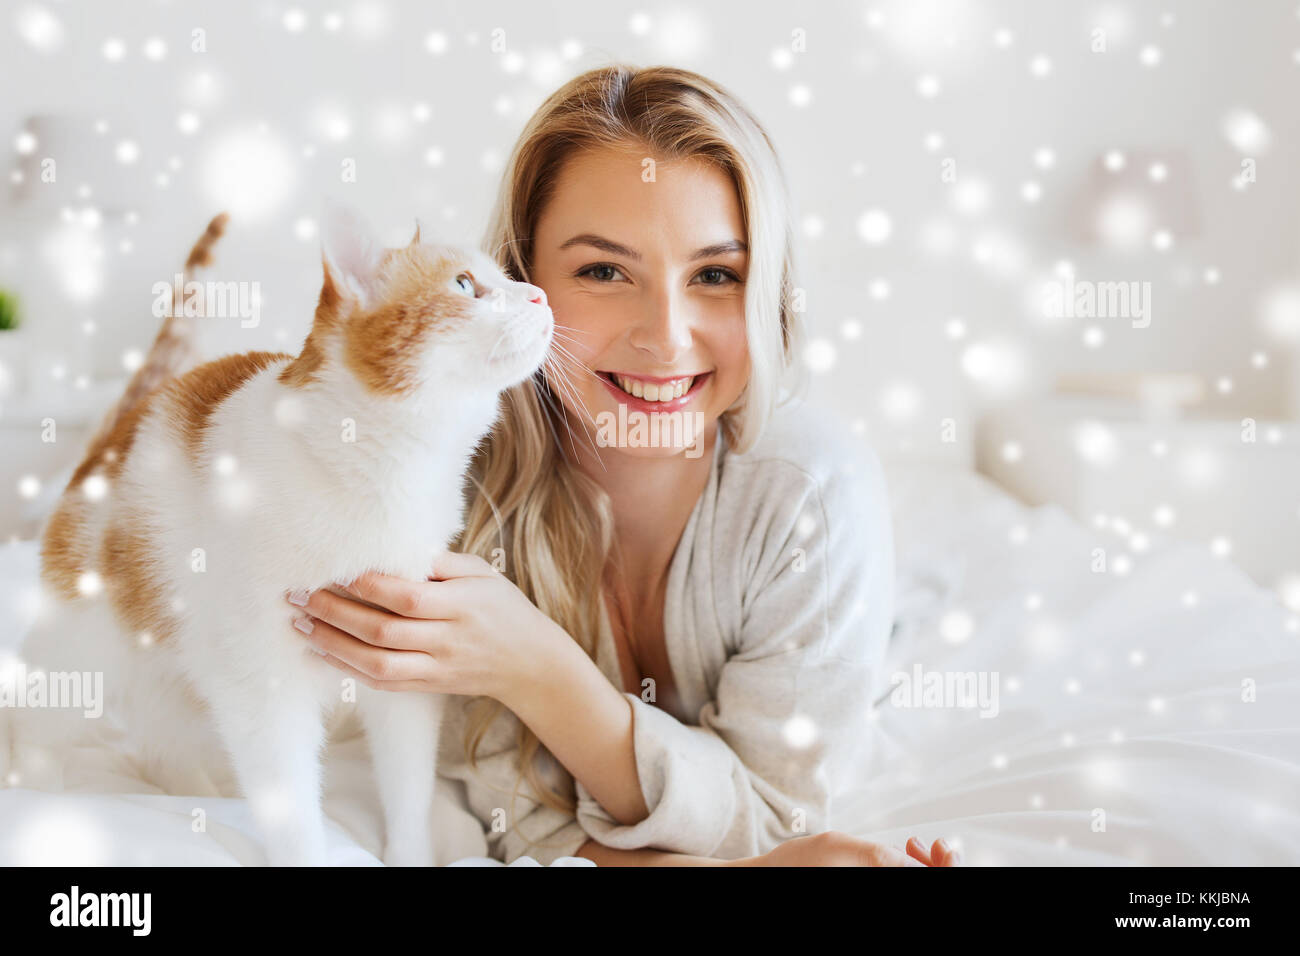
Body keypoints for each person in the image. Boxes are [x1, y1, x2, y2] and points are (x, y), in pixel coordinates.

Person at [285, 64, 959, 868]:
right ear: (520, 282)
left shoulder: (812, 493)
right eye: (604, 271)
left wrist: (533, 665)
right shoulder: (452, 494)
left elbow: (776, 818)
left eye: (716, 275)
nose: (665, 336)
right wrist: (527, 663)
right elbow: (526, 818)